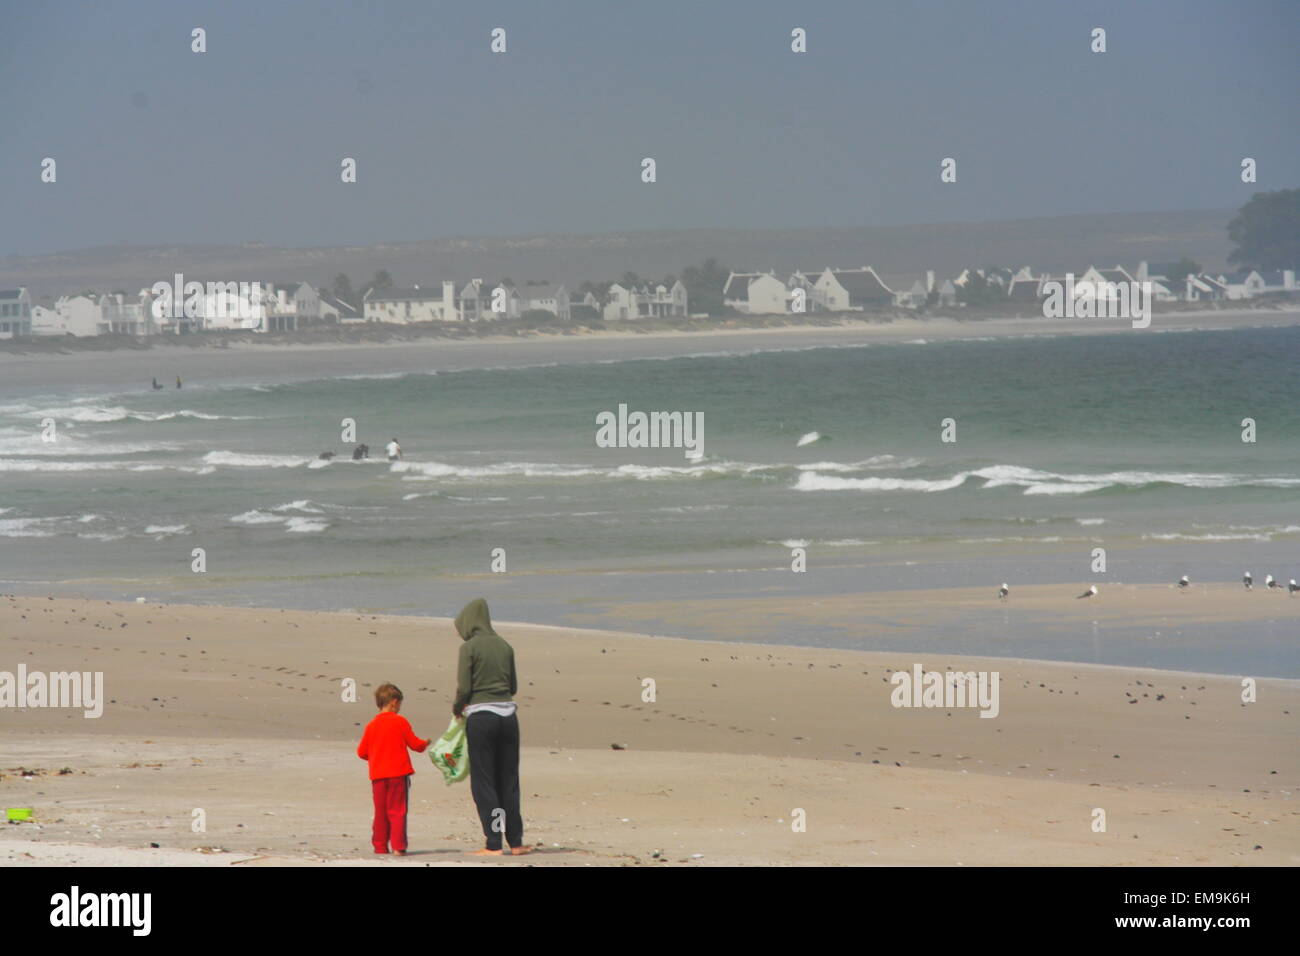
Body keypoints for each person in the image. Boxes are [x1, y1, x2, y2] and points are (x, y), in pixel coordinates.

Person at [452, 598, 529, 856]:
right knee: (509, 781)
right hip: (509, 718)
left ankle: (494, 843)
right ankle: (516, 842)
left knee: (484, 782)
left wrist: (457, 708)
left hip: (482, 718)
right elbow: (513, 687)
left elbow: (464, 688)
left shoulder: (469, 648)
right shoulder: (505, 646)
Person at [356, 682, 430, 856]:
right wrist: (425, 743)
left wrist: (376, 758)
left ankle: (380, 846)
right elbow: (415, 745)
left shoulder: (371, 725)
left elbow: (361, 752)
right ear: (394, 702)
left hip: (378, 775)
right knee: (397, 811)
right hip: (398, 773)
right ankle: (398, 846)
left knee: (380, 812)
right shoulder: (400, 721)